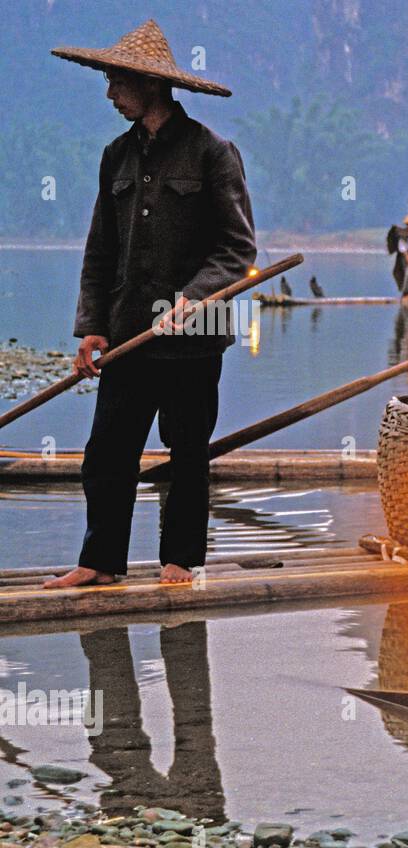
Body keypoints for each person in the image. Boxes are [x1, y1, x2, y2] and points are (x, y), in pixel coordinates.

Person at [43, 20, 256, 589]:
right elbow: (101, 251)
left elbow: (237, 250)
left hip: (194, 337)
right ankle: (101, 562)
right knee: (107, 453)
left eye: (117, 82)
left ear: (150, 85)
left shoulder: (214, 153)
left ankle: (180, 561)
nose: (110, 94)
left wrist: (191, 300)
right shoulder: (116, 156)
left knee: (187, 454)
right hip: (130, 332)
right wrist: (91, 328)